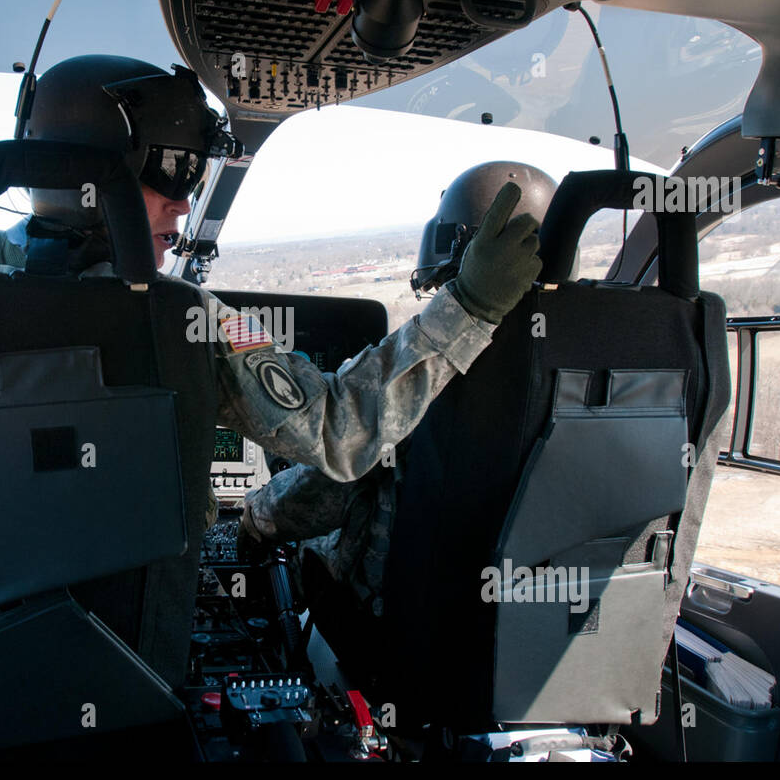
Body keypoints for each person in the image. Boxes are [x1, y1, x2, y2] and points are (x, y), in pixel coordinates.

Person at [0, 56, 543, 586]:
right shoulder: (196, 322)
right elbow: (342, 432)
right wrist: (465, 309)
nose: (187, 207)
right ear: (98, 174)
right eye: (174, 175)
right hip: (125, 701)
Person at [238, 162, 561, 679]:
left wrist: (256, 518)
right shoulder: (638, 354)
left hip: (409, 648)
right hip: (560, 653)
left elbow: (328, 482)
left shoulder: (440, 375)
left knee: (296, 552)